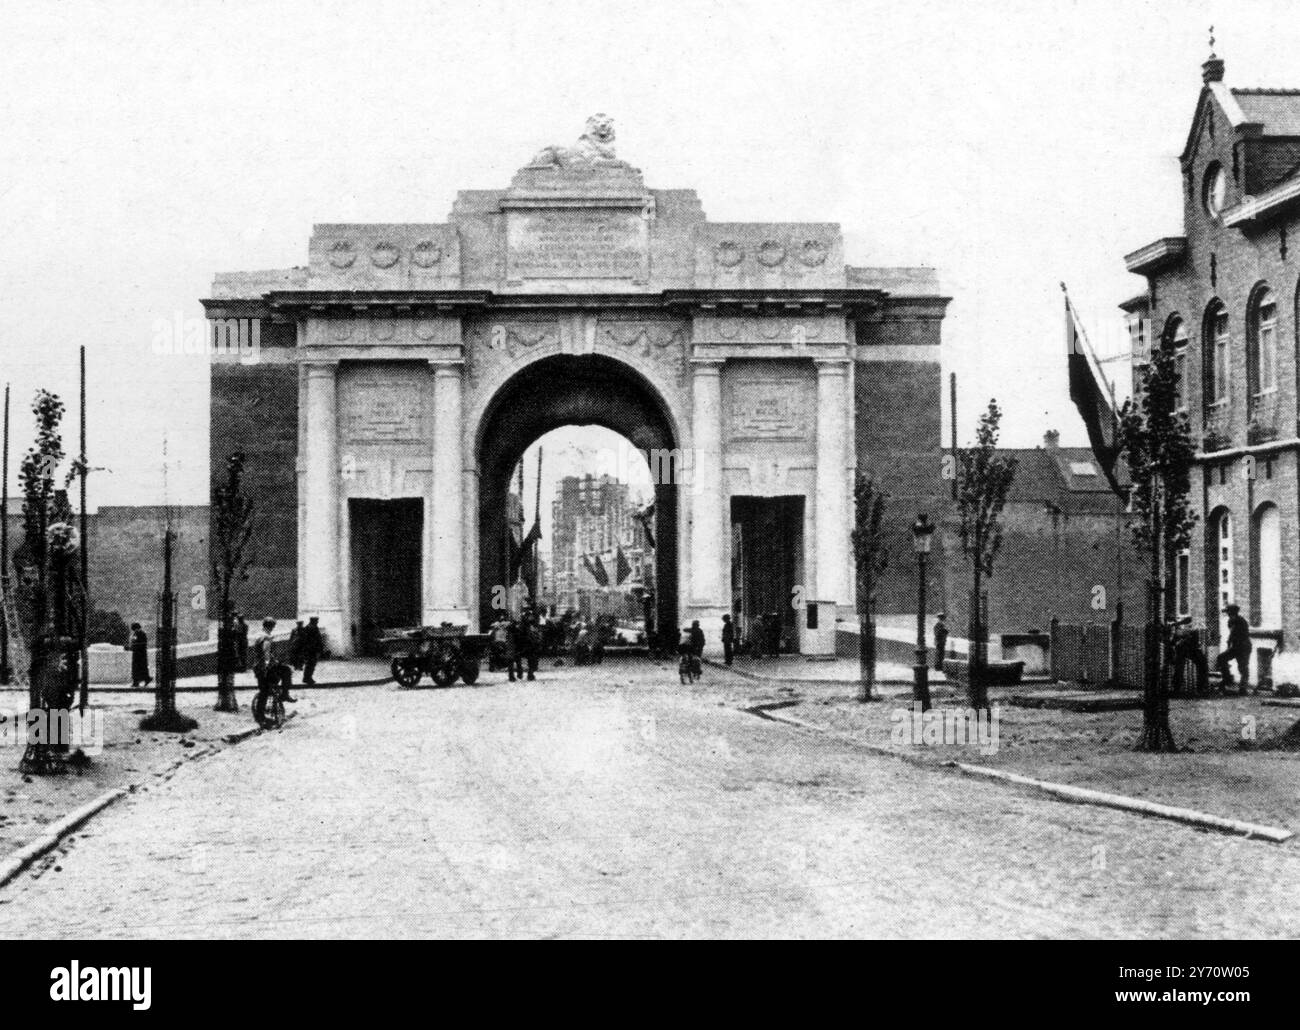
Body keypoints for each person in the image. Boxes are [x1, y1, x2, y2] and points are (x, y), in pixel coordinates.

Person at [253, 618, 295, 703]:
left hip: (258, 666)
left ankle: (261, 713)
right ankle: (285, 694)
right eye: (273, 626)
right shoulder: (266, 637)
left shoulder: (259, 635)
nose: (273, 628)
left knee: (265, 691)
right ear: (271, 626)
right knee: (287, 670)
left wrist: (273, 661)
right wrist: (268, 664)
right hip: (264, 668)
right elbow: (266, 653)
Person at [1216, 604, 1252, 693]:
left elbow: (1233, 633)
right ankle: (1227, 679)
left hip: (1244, 646)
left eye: (1228, 612)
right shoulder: (1231, 620)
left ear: (1232, 612)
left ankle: (1243, 687)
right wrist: (1229, 644)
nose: (1227, 614)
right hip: (1236, 647)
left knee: (1243, 667)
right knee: (1221, 658)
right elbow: (1231, 635)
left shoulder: (1239, 621)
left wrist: (1229, 643)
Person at [299, 615, 324, 686]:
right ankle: (307, 678)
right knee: (310, 664)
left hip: (310, 649)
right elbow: (315, 639)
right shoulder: (312, 628)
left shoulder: (308, 627)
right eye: (316, 621)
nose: (317, 622)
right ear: (313, 621)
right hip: (311, 649)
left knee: (310, 664)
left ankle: (307, 677)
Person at [127, 623, 151, 688]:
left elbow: (138, 644)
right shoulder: (140, 634)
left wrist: (131, 647)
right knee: (142, 668)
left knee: (137, 668)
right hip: (140, 654)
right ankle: (145, 679)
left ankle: (136, 682)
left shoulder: (139, 634)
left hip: (139, 654)